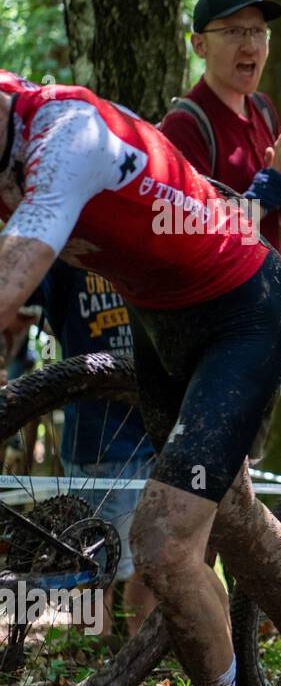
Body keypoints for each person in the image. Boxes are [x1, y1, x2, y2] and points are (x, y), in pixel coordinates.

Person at [0, 70, 281, 686]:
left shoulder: (65, 133)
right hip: (162, 322)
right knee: (230, 513)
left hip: (246, 311)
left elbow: (15, 275)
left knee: (163, 543)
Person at [27, 262, 159, 635]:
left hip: (162, 427)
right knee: (92, 568)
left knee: (157, 561)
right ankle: (88, 665)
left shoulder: (152, 232)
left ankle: (137, 659)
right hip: (98, 437)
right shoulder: (65, 248)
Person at [158, 0, 281, 252]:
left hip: (268, 292)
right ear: (199, 45)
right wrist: (276, 181)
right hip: (221, 294)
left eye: (258, 32)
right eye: (233, 32)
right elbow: (198, 231)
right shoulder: (185, 125)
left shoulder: (264, 109)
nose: (250, 46)